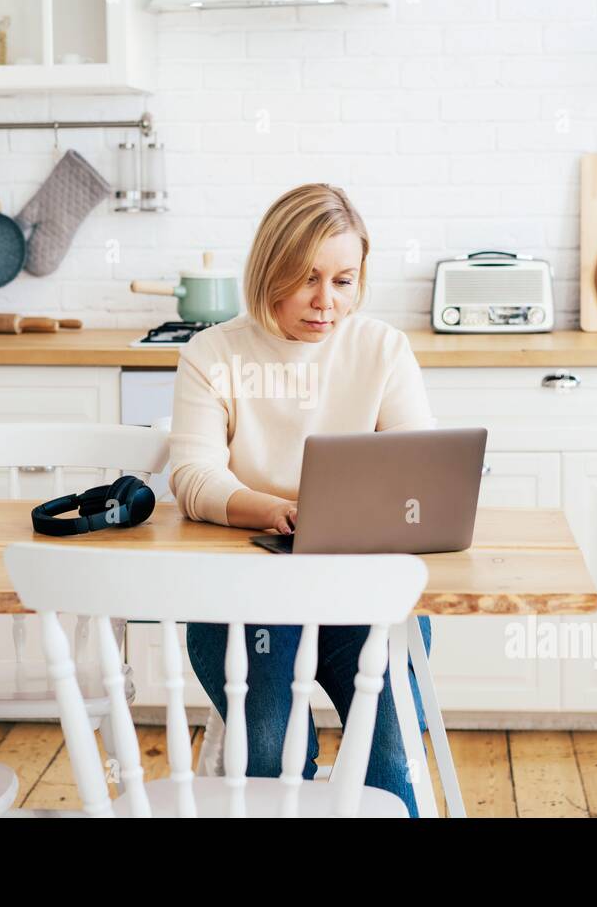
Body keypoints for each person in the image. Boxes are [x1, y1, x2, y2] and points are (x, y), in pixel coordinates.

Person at [168, 183, 436, 815]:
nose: (326, 303)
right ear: (269, 273)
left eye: (344, 281)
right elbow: (193, 477)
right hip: (244, 599)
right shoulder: (215, 354)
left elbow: (419, 468)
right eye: (306, 279)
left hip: (362, 592)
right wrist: (274, 511)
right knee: (274, 757)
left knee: (388, 760)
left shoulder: (381, 350)